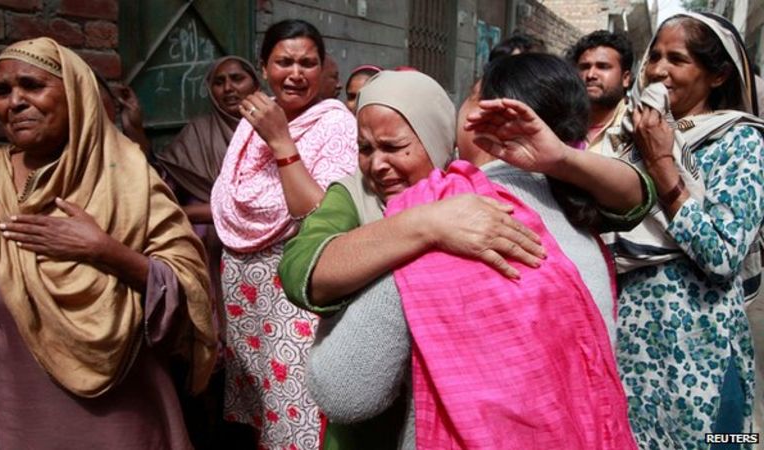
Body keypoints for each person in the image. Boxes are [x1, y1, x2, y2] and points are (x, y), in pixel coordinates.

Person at [280, 68, 650, 448]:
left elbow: (635, 199)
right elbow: (300, 270)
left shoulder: (490, 200)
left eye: (393, 147)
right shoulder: (357, 195)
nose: (377, 165)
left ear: (438, 135)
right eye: (365, 148)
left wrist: (557, 160)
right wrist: (421, 224)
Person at [0, 37, 216, 449]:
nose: (16, 101)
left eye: (32, 86)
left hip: (128, 414)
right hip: (27, 414)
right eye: (3, 91)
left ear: (76, 95)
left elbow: (191, 291)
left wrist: (105, 251)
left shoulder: (129, 179)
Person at [602, 12, 764, 447]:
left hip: (703, 356)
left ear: (718, 75)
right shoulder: (627, 135)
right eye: (655, 56)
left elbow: (724, 254)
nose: (658, 70)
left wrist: (662, 166)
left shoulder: (741, 143)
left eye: (678, 59)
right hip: (631, 350)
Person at [210, 19, 358, 449]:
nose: (295, 73)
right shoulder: (250, 119)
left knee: (296, 411)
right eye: (284, 62)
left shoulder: (335, 125)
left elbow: (316, 210)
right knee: (261, 411)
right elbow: (232, 195)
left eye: (308, 63)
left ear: (322, 67)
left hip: (292, 294)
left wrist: (280, 140)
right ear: (264, 66)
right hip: (248, 297)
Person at [156, 55, 260, 449]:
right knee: (212, 352)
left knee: (253, 346)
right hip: (208, 256)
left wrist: (206, 211)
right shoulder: (196, 133)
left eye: (238, 78)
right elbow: (163, 193)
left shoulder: (270, 130)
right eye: (219, 81)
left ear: (255, 81)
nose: (229, 88)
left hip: (255, 255)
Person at [567, 30, 634, 153]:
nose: (591, 75)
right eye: (584, 67)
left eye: (603, 67)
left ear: (625, 78)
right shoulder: (562, 126)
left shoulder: (637, 127)